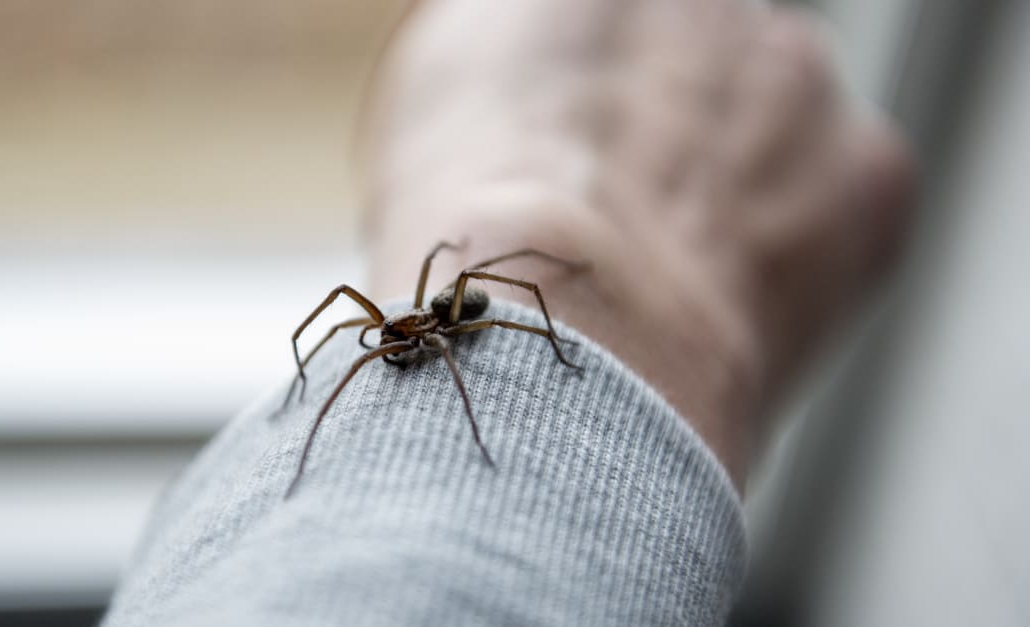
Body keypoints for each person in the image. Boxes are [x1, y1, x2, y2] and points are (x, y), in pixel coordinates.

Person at [102, 0, 914, 624]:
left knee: (490, 275)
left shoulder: (450, 323)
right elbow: (357, 323)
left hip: (479, 302)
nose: (387, 339)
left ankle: (553, 273)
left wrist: (555, 281)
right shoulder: (388, 329)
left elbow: (484, 303)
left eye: (396, 334)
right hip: (461, 296)